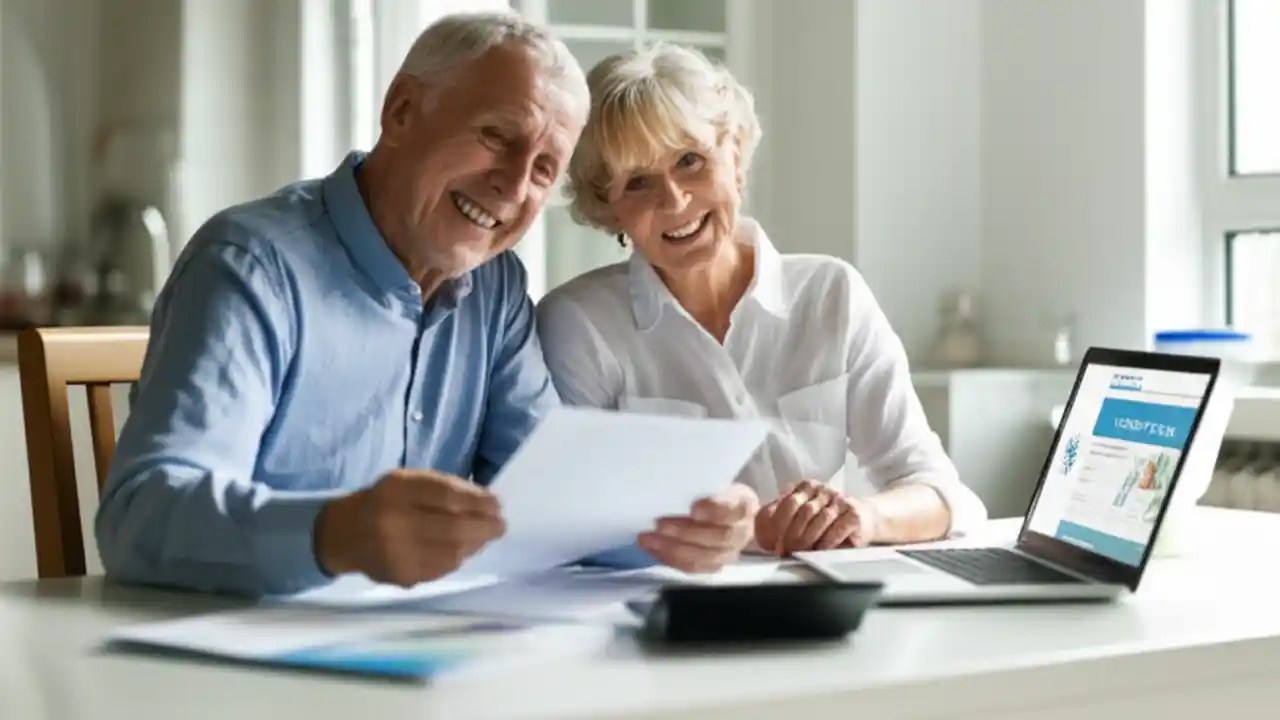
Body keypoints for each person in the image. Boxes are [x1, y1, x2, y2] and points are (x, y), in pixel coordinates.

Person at [96, 14, 754, 598]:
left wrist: (677, 525)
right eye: (497, 136)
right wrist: (335, 533)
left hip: (418, 660)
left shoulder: (494, 291)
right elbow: (142, 514)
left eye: (545, 168)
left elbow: (550, 502)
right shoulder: (251, 265)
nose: (513, 185)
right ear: (402, 110)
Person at [537, 44, 988, 557]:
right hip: (665, 613)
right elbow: (567, 521)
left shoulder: (831, 295)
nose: (675, 201)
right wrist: (740, 533)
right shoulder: (578, 324)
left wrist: (860, 515)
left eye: (691, 160)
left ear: (735, 156)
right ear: (608, 209)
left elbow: (944, 494)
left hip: (820, 606)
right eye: (638, 182)